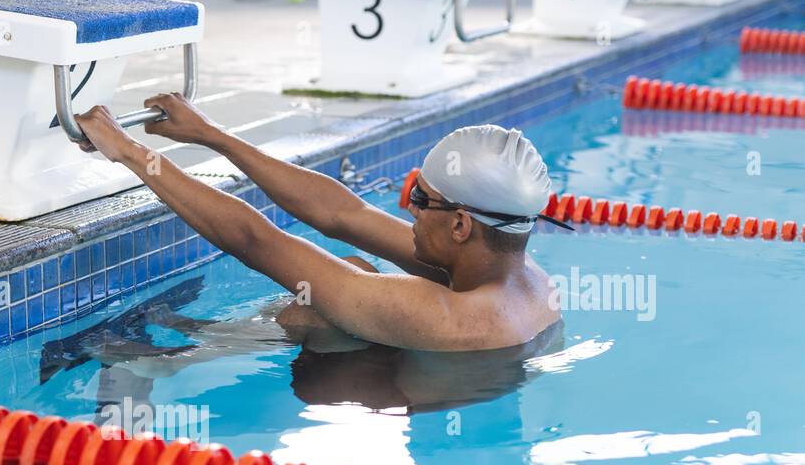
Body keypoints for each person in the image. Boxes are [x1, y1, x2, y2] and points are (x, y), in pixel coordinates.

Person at [74, 96, 571, 352]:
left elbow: (256, 240)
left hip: (365, 397)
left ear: (461, 225)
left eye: (422, 197)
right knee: (349, 270)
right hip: (426, 376)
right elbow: (345, 214)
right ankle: (195, 331)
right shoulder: (514, 272)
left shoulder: (451, 314)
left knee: (315, 307)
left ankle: (166, 354)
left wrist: (131, 153)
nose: (411, 208)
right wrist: (212, 135)